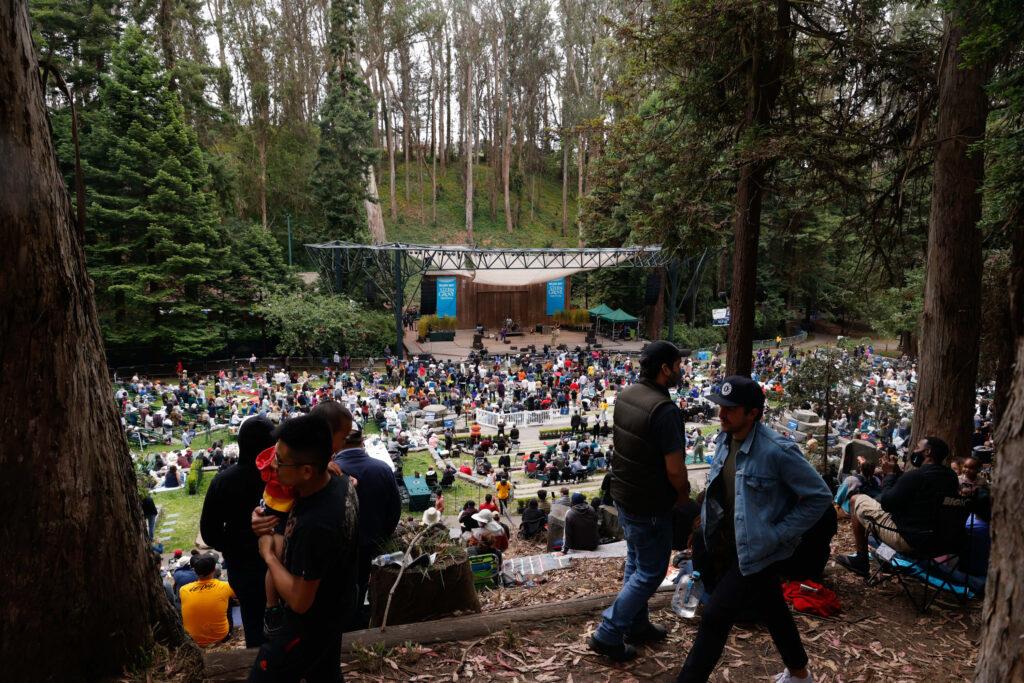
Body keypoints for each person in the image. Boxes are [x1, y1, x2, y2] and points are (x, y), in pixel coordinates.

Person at [676, 375, 831, 683]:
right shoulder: (724, 439)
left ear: (753, 413)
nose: (721, 414)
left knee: (716, 616)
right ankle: (800, 674)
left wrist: (779, 534)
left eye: (731, 409)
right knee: (772, 606)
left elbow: (819, 497)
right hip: (721, 544)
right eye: (720, 406)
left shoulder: (778, 451)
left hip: (757, 551)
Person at [589, 341, 690, 662]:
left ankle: (637, 623)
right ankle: (608, 632)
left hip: (624, 494)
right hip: (650, 502)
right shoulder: (664, 411)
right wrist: (684, 495)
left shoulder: (627, 395)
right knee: (651, 570)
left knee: (636, 560)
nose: (681, 370)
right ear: (664, 368)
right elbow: (675, 469)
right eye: (677, 365)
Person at [248, 414, 359, 682]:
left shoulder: (314, 526)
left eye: (281, 460)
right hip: (338, 605)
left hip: (308, 625)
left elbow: (299, 600)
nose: (273, 463)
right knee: (325, 673)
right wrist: (261, 514)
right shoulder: (340, 483)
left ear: (307, 470)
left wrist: (268, 555)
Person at [314, 402, 401, 630]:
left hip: (337, 548)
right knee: (363, 584)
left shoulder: (326, 472)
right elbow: (394, 510)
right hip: (373, 541)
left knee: (341, 589)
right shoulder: (382, 469)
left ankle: (348, 624)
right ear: (362, 442)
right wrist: (383, 534)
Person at [201, 416, 277, 647]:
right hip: (280, 562)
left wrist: (234, 545)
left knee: (252, 621)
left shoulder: (223, 481)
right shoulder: (281, 477)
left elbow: (209, 533)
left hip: (243, 567)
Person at [836, 436, 960, 578]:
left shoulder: (916, 476)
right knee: (892, 515)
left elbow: (887, 504)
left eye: (917, 448)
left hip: (910, 541)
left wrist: (889, 475)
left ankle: (861, 560)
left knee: (855, 499)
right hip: (941, 543)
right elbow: (916, 487)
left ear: (927, 452)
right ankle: (884, 558)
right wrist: (898, 474)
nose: (914, 451)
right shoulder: (951, 477)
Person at [180, 553, 236, 647]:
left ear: (194, 571)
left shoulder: (183, 590)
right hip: (220, 637)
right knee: (228, 601)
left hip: (192, 639)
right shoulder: (225, 586)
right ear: (214, 570)